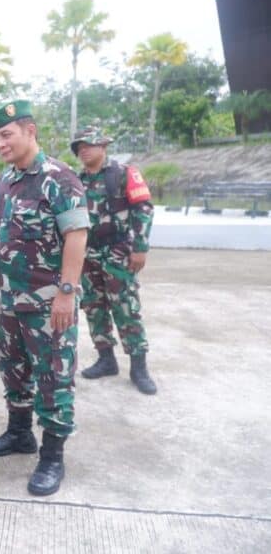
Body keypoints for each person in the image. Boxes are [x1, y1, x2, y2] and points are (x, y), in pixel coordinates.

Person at [0, 100, 89, 497]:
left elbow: (77, 235)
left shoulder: (59, 178)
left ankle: (52, 455)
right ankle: (20, 433)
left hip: (48, 304)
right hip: (12, 301)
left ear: (30, 131)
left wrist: (66, 293)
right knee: (13, 368)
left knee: (53, 377)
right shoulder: (4, 182)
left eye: (6, 135)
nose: (0, 143)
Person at [72, 127, 157, 395]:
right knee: (94, 307)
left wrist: (140, 248)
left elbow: (143, 209)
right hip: (88, 253)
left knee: (126, 307)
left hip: (118, 250)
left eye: (88, 144)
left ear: (103, 146)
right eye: (79, 147)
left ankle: (138, 367)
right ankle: (106, 358)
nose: (83, 150)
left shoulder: (123, 173)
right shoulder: (76, 179)